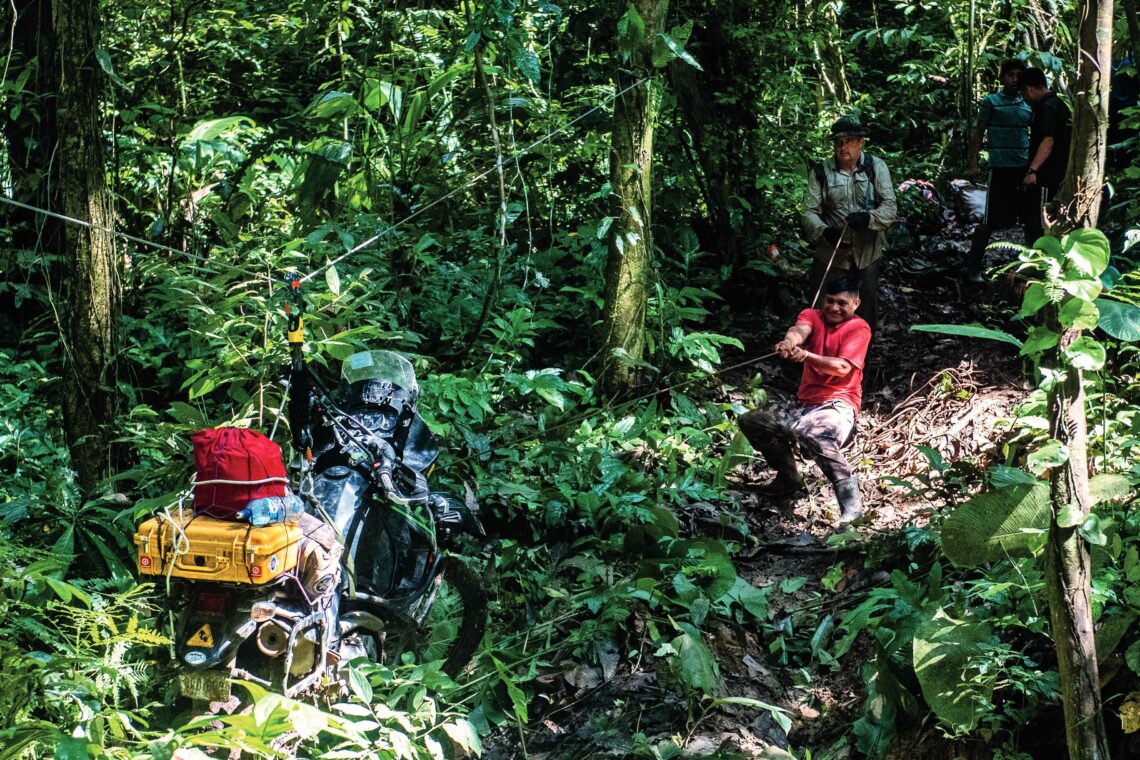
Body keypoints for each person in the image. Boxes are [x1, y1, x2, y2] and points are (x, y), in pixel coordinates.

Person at [736, 277, 872, 526]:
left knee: (813, 433)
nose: (833, 308)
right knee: (752, 421)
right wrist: (789, 343)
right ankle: (788, 477)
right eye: (829, 301)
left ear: (856, 304)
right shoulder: (813, 314)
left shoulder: (858, 328)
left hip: (838, 405)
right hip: (805, 403)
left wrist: (807, 356)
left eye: (842, 303)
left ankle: (852, 508)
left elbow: (842, 367)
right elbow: (800, 330)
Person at [802, 114, 897, 333]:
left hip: (867, 255)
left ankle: (860, 360)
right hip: (832, 254)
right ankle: (819, 356)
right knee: (822, 309)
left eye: (849, 141)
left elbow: (890, 207)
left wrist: (869, 219)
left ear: (860, 142)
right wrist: (825, 231)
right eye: (839, 142)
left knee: (864, 310)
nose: (843, 147)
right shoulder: (821, 171)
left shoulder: (876, 167)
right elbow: (809, 212)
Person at [965, 59, 1034, 282]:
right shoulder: (991, 102)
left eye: (1019, 75)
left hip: (1024, 168)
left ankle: (1034, 268)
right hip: (1000, 167)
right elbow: (978, 133)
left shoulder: (1029, 103)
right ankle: (973, 268)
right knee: (989, 220)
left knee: (1031, 219)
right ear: (1002, 77)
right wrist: (973, 164)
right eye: (1010, 75)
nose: (1014, 80)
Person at [1020, 67, 1072, 244]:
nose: (1025, 100)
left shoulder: (1048, 108)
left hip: (1047, 176)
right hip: (1057, 174)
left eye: (1024, 94)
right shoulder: (1057, 104)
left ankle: (1038, 261)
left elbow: (1048, 141)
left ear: (1029, 89)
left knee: (1040, 220)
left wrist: (1032, 170)